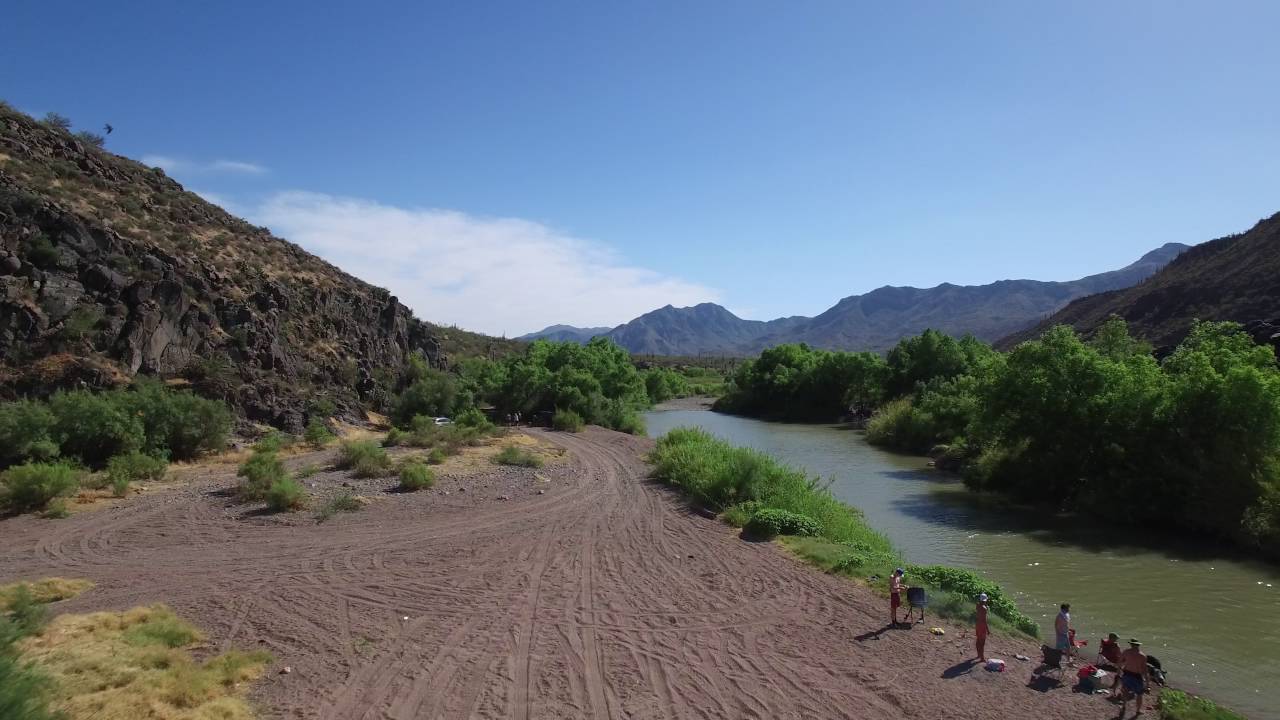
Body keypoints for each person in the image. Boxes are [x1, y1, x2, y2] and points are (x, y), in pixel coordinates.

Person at [1118, 638, 1150, 717]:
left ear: (1131, 644)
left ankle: (1123, 707)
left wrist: (1119, 672)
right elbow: (1145, 670)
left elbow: (1119, 662)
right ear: (1138, 645)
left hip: (1127, 674)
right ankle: (1138, 711)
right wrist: (1147, 683)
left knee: (1125, 691)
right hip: (1137, 677)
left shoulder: (1126, 652)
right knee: (1139, 695)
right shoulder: (1142, 656)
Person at [974, 592, 989, 662]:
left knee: (978, 640)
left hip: (977, 625)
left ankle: (978, 655)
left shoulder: (977, 605)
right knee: (982, 642)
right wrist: (988, 629)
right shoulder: (984, 608)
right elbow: (984, 620)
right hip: (982, 626)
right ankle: (982, 658)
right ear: (984, 600)